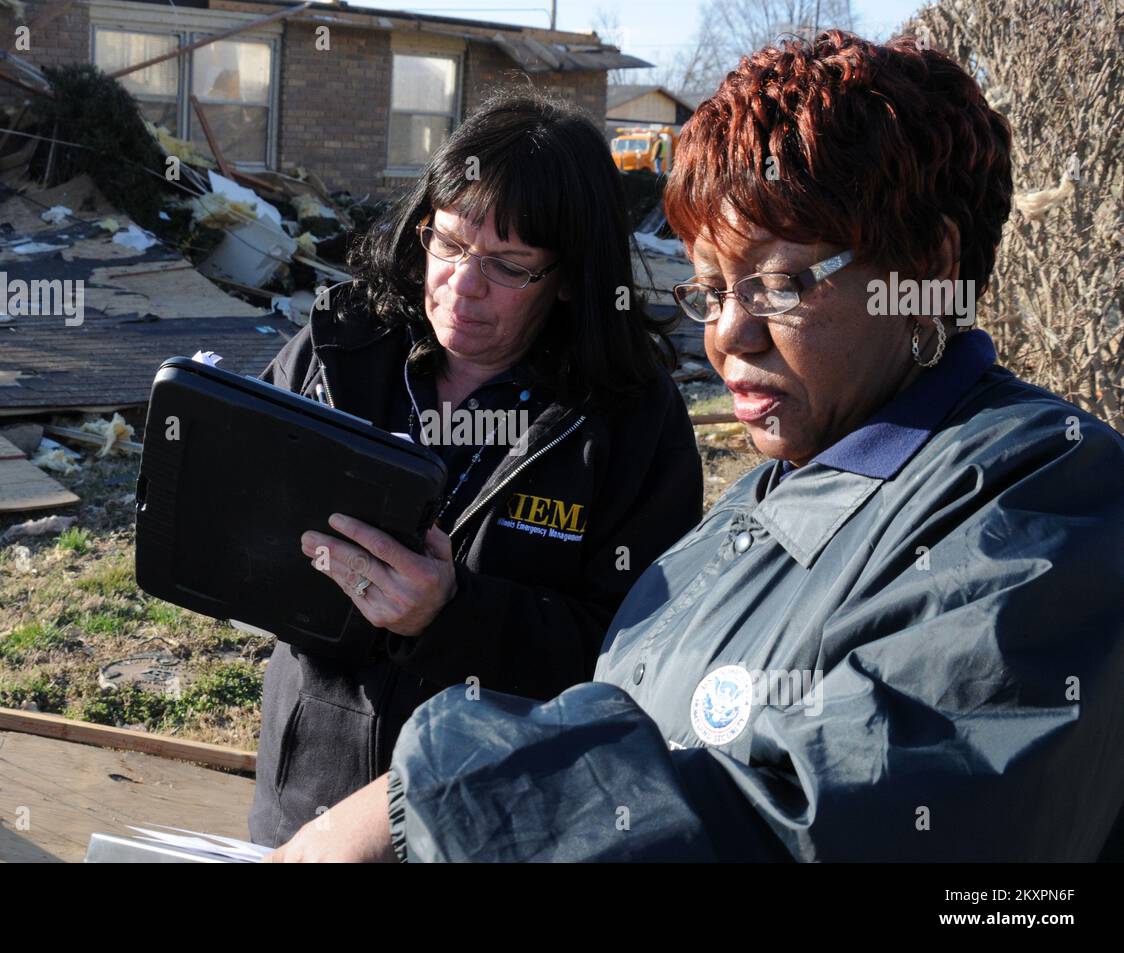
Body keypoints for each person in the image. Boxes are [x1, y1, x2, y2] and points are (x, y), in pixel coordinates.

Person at [265, 31, 1124, 863]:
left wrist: (431, 801)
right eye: (711, 290)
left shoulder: (1040, 499)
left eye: (782, 284)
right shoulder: (756, 509)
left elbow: (823, 825)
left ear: (928, 273)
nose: (728, 336)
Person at [248, 88, 704, 846]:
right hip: (306, 811)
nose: (462, 284)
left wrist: (455, 616)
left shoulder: (630, 424)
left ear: (568, 277)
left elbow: (639, 672)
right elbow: (249, 507)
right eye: (451, 244)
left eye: (507, 264)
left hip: (494, 830)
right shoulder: (342, 349)